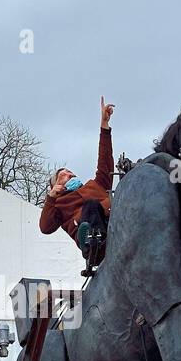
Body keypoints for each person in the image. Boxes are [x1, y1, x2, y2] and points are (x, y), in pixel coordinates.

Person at [39, 97, 115, 260]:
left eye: (70, 171)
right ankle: (91, 241)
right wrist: (51, 198)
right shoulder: (59, 206)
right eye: (63, 175)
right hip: (98, 242)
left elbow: (105, 159)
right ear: (55, 186)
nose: (70, 174)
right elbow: (45, 228)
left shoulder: (95, 184)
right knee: (91, 206)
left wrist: (104, 126)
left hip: (117, 220)